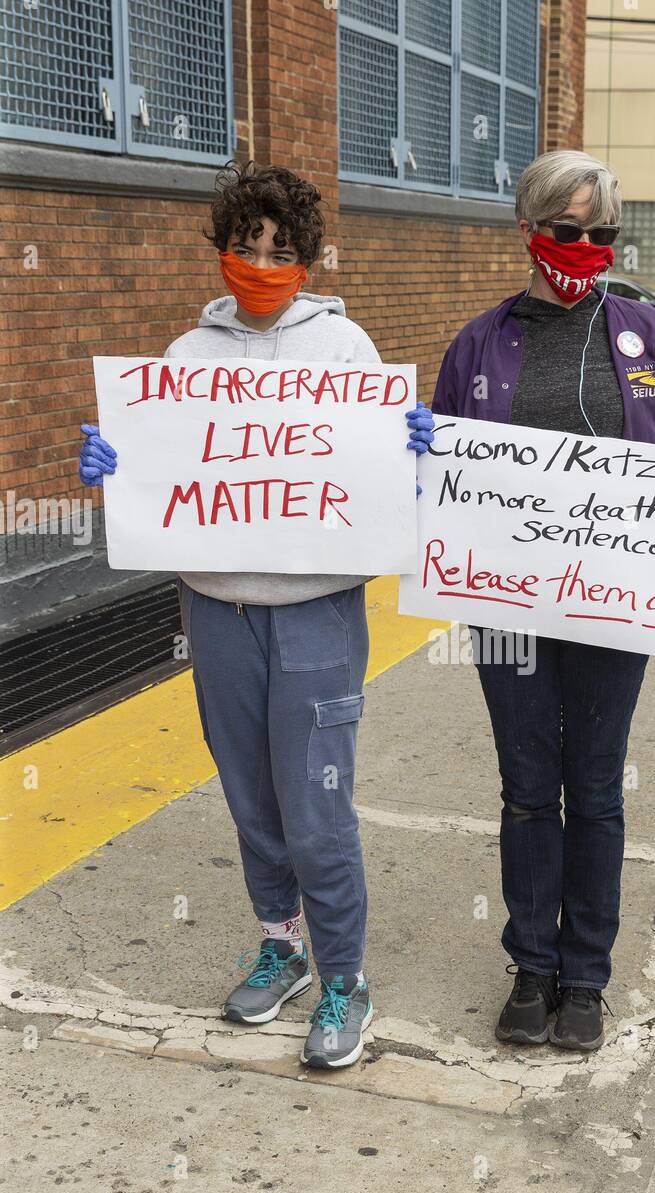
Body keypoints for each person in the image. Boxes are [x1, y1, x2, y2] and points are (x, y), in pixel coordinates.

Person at [78, 160, 434, 1069]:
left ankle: (345, 979)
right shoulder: (186, 360)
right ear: (223, 251)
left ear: (308, 257)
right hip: (216, 610)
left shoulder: (345, 355)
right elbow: (162, 469)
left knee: (319, 811)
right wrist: (113, 465)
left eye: (280, 250)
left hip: (317, 613)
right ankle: (284, 945)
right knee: (250, 801)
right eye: (245, 246)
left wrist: (415, 450)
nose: (262, 263)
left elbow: (379, 478)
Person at [432, 149, 655, 1052]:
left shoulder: (650, 337)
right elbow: (443, 469)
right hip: (507, 607)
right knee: (529, 788)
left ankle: (587, 978)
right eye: (568, 230)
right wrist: (417, 451)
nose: (585, 247)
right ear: (528, 230)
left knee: (596, 789)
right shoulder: (478, 345)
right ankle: (532, 965)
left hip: (616, 598)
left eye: (602, 233)